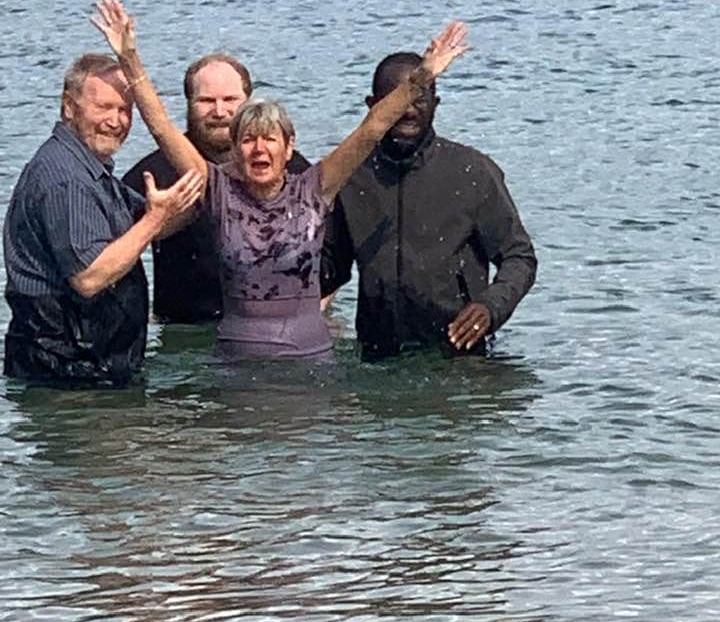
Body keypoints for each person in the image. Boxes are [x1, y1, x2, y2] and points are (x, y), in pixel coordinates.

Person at [92, 0, 469, 360]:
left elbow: (371, 129)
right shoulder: (218, 190)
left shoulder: (314, 187)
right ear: (236, 149)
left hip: (309, 359)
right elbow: (161, 127)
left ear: (289, 148)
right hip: (236, 362)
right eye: (248, 139)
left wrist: (422, 77)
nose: (259, 149)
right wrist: (129, 58)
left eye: (269, 139)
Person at [320, 52, 538, 360]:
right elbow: (330, 269)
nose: (408, 111)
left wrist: (490, 308)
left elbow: (519, 257)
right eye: (396, 100)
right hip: (377, 355)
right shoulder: (353, 178)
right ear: (372, 106)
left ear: (436, 104)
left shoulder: (472, 171)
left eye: (419, 99)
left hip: (459, 354)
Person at [2, 53, 203, 387]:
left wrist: (184, 204)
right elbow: (90, 276)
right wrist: (154, 220)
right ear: (69, 107)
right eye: (104, 107)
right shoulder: (65, 179)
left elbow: (141, 228)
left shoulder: (90, 168)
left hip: (91, 367)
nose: (116, 120)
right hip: (66, 376)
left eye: (125, 110)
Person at [123, 54, 312, 323]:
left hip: (274, 326)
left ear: (248, 102)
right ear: (188, 104)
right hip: (184, 331)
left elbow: (331, 250)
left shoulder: (289, 168)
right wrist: (158, 223)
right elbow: (107, 250)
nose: (220, 112)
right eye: (206, 101)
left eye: (230, 100)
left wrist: (318, 308)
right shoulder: (155, 174)